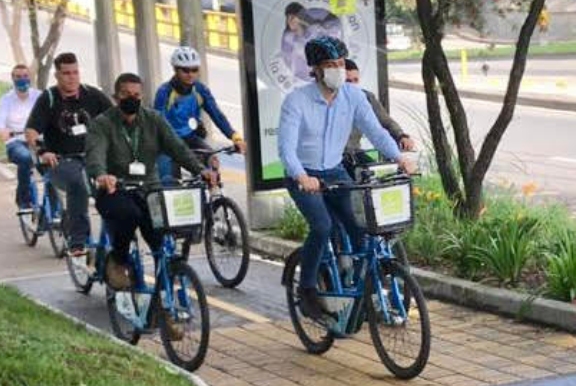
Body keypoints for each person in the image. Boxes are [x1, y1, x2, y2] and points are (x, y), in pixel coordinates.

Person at [278, 36, 415, 320]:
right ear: (315, 69)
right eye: (330, 65)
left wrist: (398, 157)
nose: (338, 70)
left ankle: (358, 286)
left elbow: (376, 131)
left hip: (336, 170)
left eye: (341, 63)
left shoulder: (354, 96)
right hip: (305, 175)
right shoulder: (297, 101)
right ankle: (307, 291)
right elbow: (286, 149)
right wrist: (302, 176)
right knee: (323, 226)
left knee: (363, 228)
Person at [86, 73, 216, 290]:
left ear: (142, 96)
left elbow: (178, 148)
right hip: (115, 189)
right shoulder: (102, 124)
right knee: (129, 215)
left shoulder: (154, 120)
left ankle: (164, 298)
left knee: (162, 238)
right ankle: (118, 260)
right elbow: (95, 154)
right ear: (116, 96)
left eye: (136, 95)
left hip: (150, 189)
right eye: (125, 94)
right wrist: (102, 175)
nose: (131, 99)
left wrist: (200, 169)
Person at [25, 52, 113, 266]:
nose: (72, 78)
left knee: (116, 188)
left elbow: (118, 119)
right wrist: (42, 151)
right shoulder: (49, 98)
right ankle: (78, 241)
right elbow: (31, 131)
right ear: (57, 75)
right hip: (60, 161)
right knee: (78, 182)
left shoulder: (93, 95)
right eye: (66, 73)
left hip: (93, 159)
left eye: (75, 72)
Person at [154, 46, 245, 183]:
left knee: (212, 162)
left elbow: (217, 115)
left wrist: (235, 137)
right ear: (175, 69)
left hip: (190, 138)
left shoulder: (200, 90)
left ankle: (213, 199)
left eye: (194, 70)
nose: (190, 74)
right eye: (185, 70)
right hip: (168, 142)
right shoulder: (164, 92)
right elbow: (159, 123)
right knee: (168, 181)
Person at [342, 58, 415, 171]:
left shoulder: (366, 97)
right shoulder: (330, 101)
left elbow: (385, 122)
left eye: (355, 80)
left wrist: (401, 136)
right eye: (348, 81)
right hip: (334, 159)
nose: (352, 85)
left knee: (379, 176)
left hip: (355, 153)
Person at [0, 64, 41, 212]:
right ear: (13, 79)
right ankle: (23, 201)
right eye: (18, 77)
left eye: (25, 76)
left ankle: (55, 207)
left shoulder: (39, 96)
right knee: (25, 158)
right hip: (16, 142)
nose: (22, 80)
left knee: (54, 164)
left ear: (30, 78)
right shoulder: (6, 100)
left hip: (38, 140)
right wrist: (3, 131)